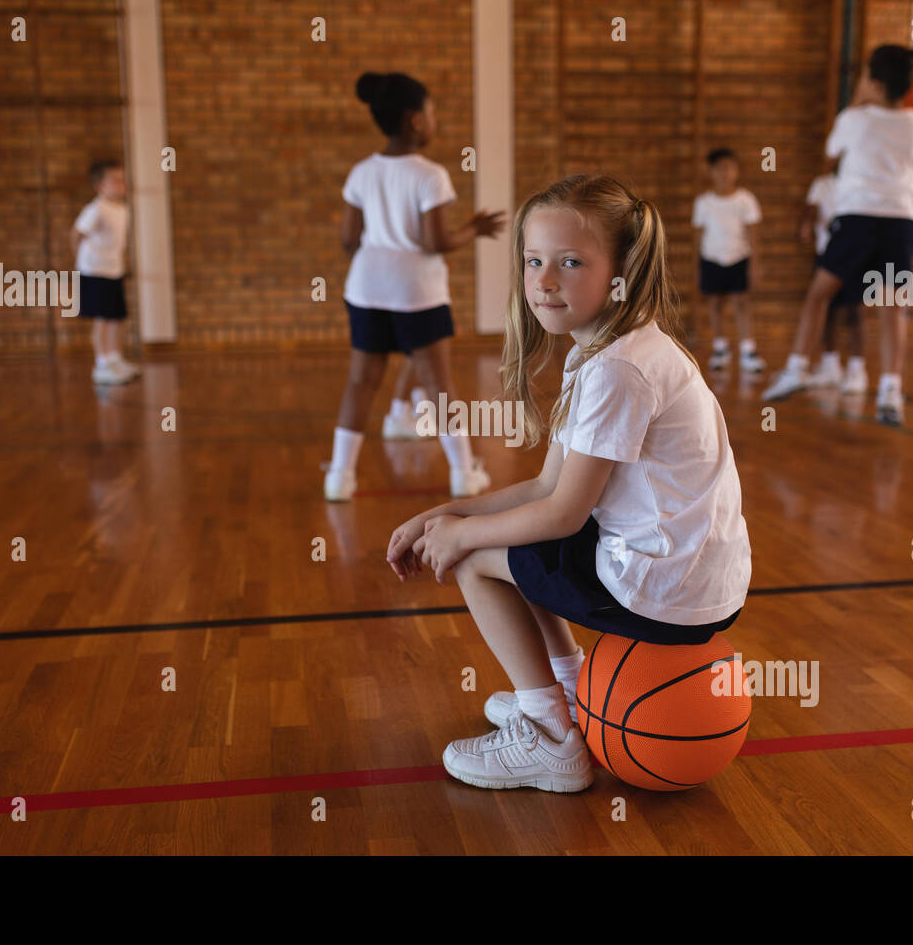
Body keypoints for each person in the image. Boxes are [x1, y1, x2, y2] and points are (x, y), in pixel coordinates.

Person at [386, 175, 751, 792]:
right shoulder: (615, 349)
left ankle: (549, 737)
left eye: (570, 262)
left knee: (477, 559)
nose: (544, 280)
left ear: (621, 274)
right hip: (691, 578)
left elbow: (562, 515)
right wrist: (445, 512)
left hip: (665, 591)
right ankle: (564, 691)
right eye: (533, 261)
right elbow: (545, 487)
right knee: (497, 541)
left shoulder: (620, 369)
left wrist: (462, 536)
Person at [327, 71, 505, 500]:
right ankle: (463, 473)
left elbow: (349, 240)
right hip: (416, 292)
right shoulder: (431, 175)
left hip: (366, 289)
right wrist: (474, 229)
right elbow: (436, 242)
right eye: (432, 111)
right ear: (415, 120)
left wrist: (379, 254)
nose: (435, 118)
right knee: (439, 383)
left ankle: (339, 477)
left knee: (360, 382)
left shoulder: (360, 172)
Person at [762, 45, 913, 425]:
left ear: (874, 84)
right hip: (901, 221)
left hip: (858, 218)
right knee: (892, 306)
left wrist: (860, 103)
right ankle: (891, 390)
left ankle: (797, 367)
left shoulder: (852, 120)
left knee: (819, 294)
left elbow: (831, 159)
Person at [692, 148, 764, 374]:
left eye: (729, 168)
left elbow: (753, 234)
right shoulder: (703, 202)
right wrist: (697, 266)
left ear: (736, 171)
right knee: (715, 304)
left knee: (742, 303)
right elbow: (698, 235)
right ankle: (720, 348)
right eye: (720, 168)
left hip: (739, 257)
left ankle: (748, 350)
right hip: (712, 258)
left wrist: (755, 263)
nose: (725, 173)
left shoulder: (745, 199)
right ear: (711, 171)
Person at [800, 165, 867, 393]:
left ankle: (857, 369)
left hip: (857, 255)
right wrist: (808, 224)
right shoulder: (823, 183)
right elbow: (811, 210)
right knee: (827, 310)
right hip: (827, 253)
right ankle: (830, 365)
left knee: (855, 311)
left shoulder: (863, 180)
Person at [71, 160, 138, 385]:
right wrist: (80, 262)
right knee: (101, 318)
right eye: (115, 181)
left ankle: (115, 357)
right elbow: (76, 234)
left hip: (113, 270)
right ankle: (101, 363)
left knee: (117, 316)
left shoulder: (122, 209)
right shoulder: (95, 209)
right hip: (94, 271)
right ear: (100, 186)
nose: (121, 185)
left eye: (122, 180)